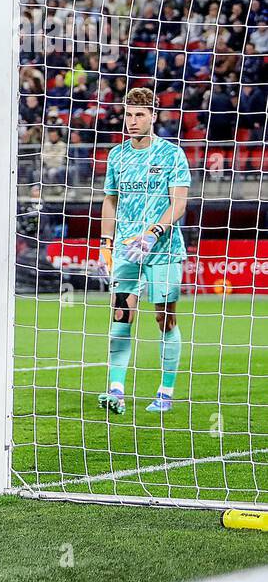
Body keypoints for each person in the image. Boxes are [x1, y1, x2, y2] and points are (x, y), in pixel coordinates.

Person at [98, 87, 191, 417]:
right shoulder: (116, 156)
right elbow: (110, 200)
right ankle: (116, 390)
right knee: (122, 315)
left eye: (139, 114)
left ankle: (165, 391)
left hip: (163, 250)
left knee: (164, 318)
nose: (132, 121)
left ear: (153, 116)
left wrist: (153, 234)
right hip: (126, 252)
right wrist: (105, 244)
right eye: (128, 114)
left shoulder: (171, 155)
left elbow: (179, 203)